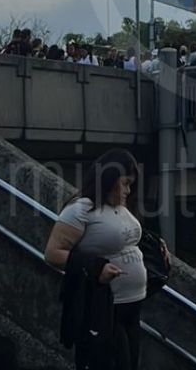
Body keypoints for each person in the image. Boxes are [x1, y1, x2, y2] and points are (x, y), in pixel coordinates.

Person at [45, 149, 150, 370]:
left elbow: (126, 240)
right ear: (109, 179)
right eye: (125, 183)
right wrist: (96, 269)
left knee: (130, 362)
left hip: (132, 305)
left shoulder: (120, 208)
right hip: (105, 306)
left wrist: (156, 250)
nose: (128, 191)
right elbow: (53, 253)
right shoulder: (80, 210)